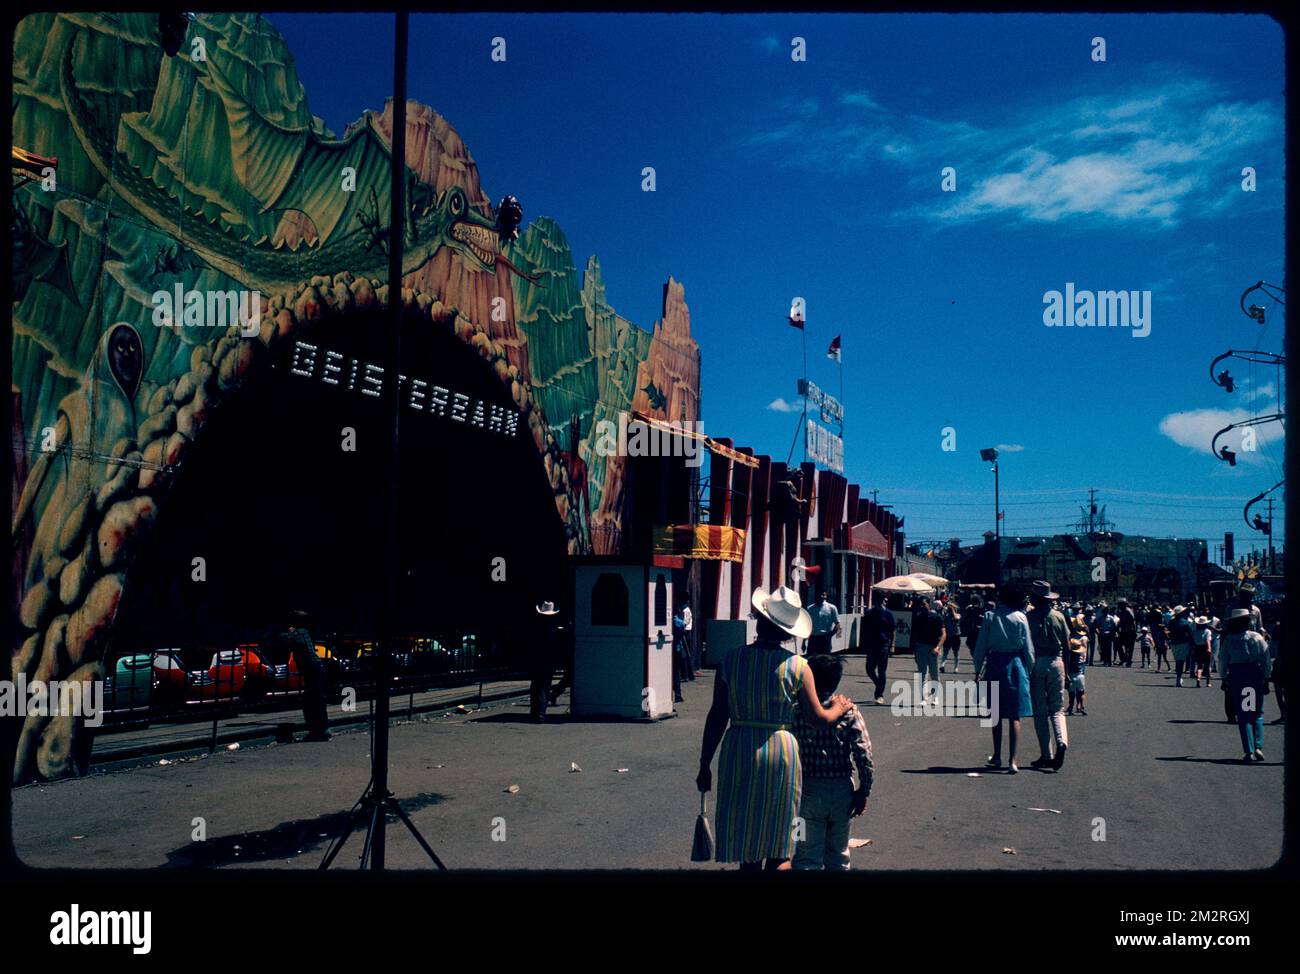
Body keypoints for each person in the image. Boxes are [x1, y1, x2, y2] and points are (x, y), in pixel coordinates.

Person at [696, 584, 853, 870]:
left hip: (739, 748)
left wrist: (704, 762)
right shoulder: (798, 666)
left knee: (749, 840)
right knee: (780, 843)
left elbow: (717, 715)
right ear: (789, 630)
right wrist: (839, 708)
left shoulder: (730, 660)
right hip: (781, 750)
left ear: (760, 619)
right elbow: (818, 718)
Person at [791, 654, 873, 871]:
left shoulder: (797, 710)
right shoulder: (849, 710)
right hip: (841, 791)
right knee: (839, 856)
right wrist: (864, 790)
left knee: (806, 856)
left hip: (806, 789)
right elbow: (864, 754)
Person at [972, 584, 1035, 773]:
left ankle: (997, 755)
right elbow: (1028, 648)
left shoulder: (991, 617)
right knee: (1015, 716)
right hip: (1016, 665)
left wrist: (977, 668)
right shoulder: (1021, 618)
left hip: (995, 664)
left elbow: (981, 645)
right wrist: (1029, 669)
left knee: (996, 714)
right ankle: (1012, 760)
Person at [1026, 581, 1070, 772]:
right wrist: (1067, 671)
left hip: (1037, 664)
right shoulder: (1059, 616)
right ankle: (1062, 742)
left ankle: (1046, 754)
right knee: (1058, 709)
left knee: (1040, 712)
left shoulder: (1028, 617)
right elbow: (1068, 645)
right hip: (1057, 662)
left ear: (1036, 599)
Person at [1219, 608, 1272, 762]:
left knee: (1244, 714)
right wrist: (1267, 676)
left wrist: (1224, 678)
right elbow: (1266, 658)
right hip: (1254, 673)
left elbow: (1223, 660)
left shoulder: (1229, 639)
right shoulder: (1257, 637)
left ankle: (1248, 751)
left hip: (1238, 675)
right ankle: (1258, 746)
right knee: (1257, 712)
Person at [281, 609, 330, 741]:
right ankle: (321, 730)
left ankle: (318, 730)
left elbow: (290, 639)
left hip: (312, 668)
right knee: (315, 699)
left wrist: (288, 633)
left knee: (312, 700)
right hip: (314, 668)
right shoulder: (304, 632)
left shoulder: (301, 632)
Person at [530, 600, 563, 722]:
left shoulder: (537, 627)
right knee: (545, 685)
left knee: (536, 686)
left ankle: (536, 712)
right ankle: (541, 712)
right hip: (550, 659)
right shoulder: (555, 628)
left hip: (538, 659)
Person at [862, 591, 895, 705]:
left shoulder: (888, 614)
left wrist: (892, 646)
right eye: (876, 600)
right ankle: (879, 684)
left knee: (882, 671)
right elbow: (865, 629)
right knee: (869, 669)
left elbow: (892, 631)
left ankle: (879, 695)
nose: (878, 602)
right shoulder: (869, 613)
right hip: (871, 645)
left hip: (883, 645)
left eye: (880, 600)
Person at [911, 598, 946, 701]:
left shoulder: (936, 617)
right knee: (922, 674)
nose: (922, 607)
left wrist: (938, 647)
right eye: (920, 605)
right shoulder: (918, 618)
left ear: (929, 605)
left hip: (933, 648)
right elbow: (914, 635)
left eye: (924, 604)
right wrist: (914, 650)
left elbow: (943, 634)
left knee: (934, 674)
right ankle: (923, 698)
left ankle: (935, 696)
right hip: (920, 647)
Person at [672, 598, 694, 701]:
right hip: (678, 647)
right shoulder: (679, 623)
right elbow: (683, 632)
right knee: (677, 670)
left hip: (670, 649)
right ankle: (678, 694)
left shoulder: (669, 622)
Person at [807, 591, 840, 656]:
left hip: (825, 638)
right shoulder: (810, 608)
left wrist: (830, 635)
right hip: (813, 638)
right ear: (815, 596)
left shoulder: (832, 608)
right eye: (819, 595)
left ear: (826, 596)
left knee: (825, 659)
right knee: (811, 660)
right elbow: (807, 625)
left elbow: (837, 623)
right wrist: (804, 642)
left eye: (823, 595)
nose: (821, 596)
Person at [1066, 624, 1088, 716]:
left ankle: (1070, 708)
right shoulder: (1083, 653)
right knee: (1081, 692)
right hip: (1080, 674)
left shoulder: (1070, 656)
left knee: (1071, 694)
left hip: (1071, 674)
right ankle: (1081, 706)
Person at [1170, 605, 1194, 687]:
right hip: (1183, 643)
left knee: (1178, 661)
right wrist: (1192, 644)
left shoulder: (1171, 622)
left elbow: (1169, 632)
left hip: (1174, 643)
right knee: (1181, 661)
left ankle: (1178, 677)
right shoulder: (1186, 623)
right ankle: (1179, 677)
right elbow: (1191, 634)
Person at [940, 599, 962, 673]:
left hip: (956, 636)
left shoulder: (958, 615)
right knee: (945, 651)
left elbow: (956, 618)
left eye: (951, 608)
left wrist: (953, 609)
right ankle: (942, 665)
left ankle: (956, 668)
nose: (949, 610)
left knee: (956, 652)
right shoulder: (946, 615)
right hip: (948, 636)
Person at [1193, 616, 1215, 688]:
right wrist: (1209, 648)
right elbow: (1208, 640)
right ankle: (1208, 682)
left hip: (1197, 648)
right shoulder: (1207, 631)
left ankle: (1198, 679)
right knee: (1207, 665)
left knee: (1199, 666)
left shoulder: (1195, 631)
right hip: (1205, 648)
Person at [1117, 598, 1137, 667]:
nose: (1119, 606)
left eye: (1120, 604)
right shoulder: (1121, 611)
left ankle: (1129, 661)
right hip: (1123, 631)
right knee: (1119, 644)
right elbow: (1120, 621)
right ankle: (1124, 658)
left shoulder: (1128, 611)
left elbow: (1133, 621)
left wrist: (1134, 631)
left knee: (1129, 647)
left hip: (1130, 631)